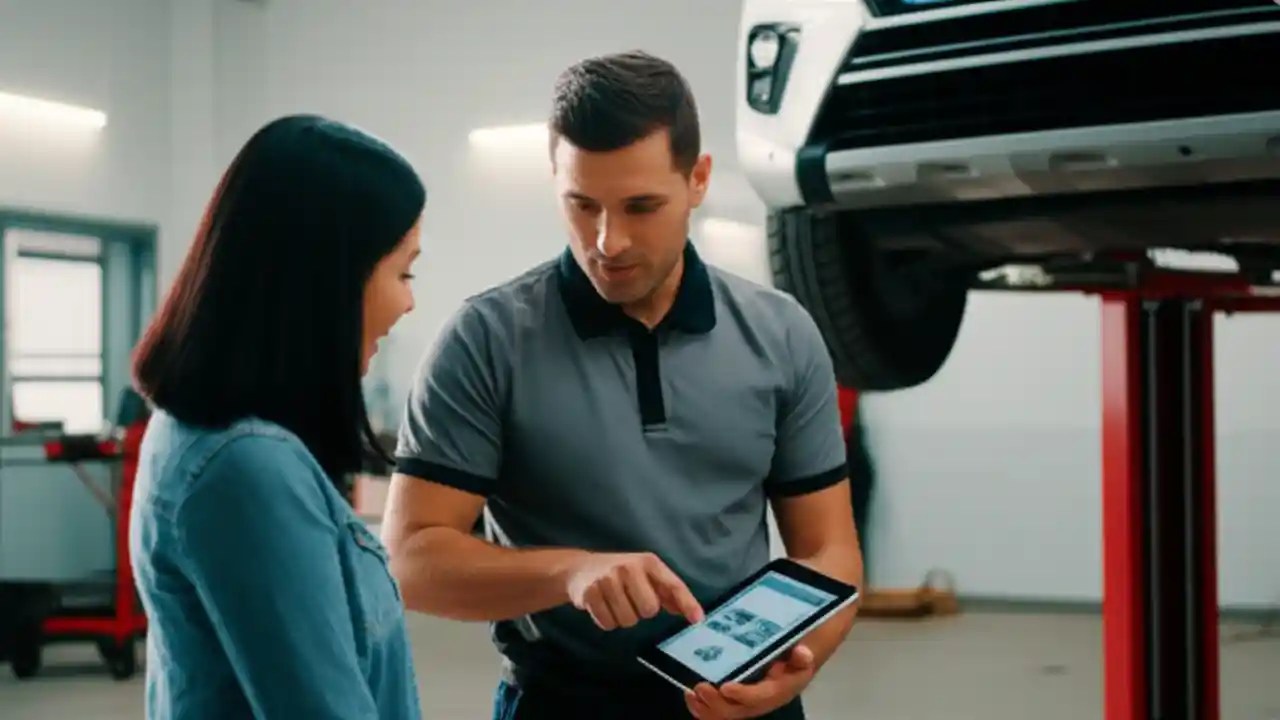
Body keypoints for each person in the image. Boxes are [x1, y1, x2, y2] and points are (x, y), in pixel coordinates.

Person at [382, 50, 862, 720]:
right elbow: (410, 559)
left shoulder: (783, 336)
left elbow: (829, 549)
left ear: (697, 180)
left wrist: (794, 664)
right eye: (582, 204)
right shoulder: (485, 341)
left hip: (747, 706)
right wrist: (569, 573)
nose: (608, 241)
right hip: (559, 704)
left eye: (641, 207)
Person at [128, 114, 425, 720]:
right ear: (326, 281)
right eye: (403, 271)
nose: (408, 302)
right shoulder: (246, 467)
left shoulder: (196, 428)